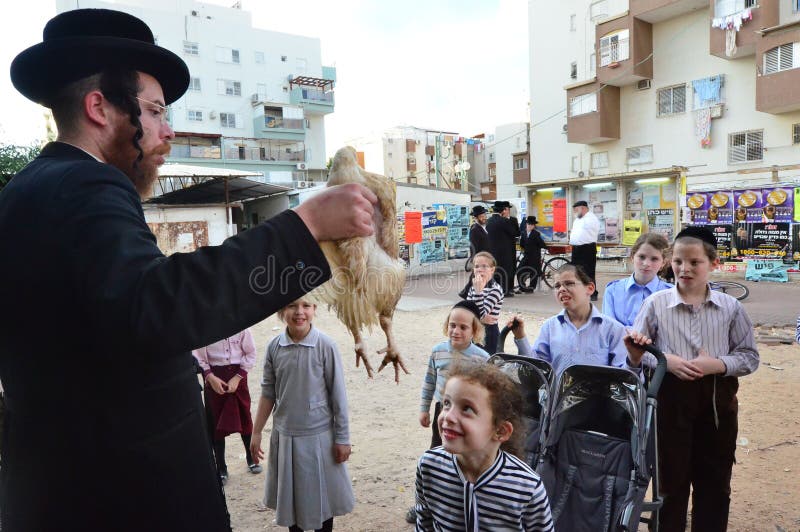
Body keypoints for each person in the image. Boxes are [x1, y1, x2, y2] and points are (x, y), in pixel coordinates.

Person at [0, 9, 376, 530]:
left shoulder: (24, 193)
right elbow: (156, 305)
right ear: (99, 108)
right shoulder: (87, 185)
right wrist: (304, 227)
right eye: (155, 111)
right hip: (122, 499)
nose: (168, 130)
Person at [632, 226, 759, 532]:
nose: (684, 269)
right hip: (670, 403)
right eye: (678, 261)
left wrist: (716, 364)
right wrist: (667, 361)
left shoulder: (730, 308)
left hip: (717, 405)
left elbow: (749, 357)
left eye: (694, 262)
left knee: (715, 482)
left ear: (713, 263)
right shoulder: (656, 304)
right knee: (670, 482)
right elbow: (639, 351)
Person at [250, 298, 354, 532]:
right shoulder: (274, 347)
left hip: (319, 438)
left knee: (323, 501)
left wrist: (342, 438)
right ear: (281, 310)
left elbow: (338, 395)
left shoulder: (326, 346)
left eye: (306, 306)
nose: (299, 312)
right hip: (285, 436)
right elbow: (268, 391)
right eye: (292, 306)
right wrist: (256, 432)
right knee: (292, 501)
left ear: (314, 309)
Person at [414, 363, 554, 531]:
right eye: (447, 403)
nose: (448, 416)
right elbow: (424, 524)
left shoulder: (526, 488)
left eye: (467, 408)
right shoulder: (429, 467)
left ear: (500, 431)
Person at [507, 264, 650, 376]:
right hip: (558, 402)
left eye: (569, 283)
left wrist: (634, 359)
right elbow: (536, 370)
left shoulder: (612, 329)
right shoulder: (550, 327)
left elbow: (625, 380)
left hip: (598, 402)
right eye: (557, 286)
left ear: (590, 288)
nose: (562, 289)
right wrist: (520, 337)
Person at [193, 328, 261, 486]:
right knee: (215, 424)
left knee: (245, 419)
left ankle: (251, 458)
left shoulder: (242, 329)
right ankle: (221, 467)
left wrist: (238, 377)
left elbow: (250, 353)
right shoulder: (205, 329)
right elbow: (198, 357)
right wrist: (210, 377)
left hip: (238, 379)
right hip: (214, 381)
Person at [603, 233, 673, 327]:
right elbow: (608, 327)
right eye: (642, 257)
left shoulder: (671, 294)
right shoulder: (613, 290)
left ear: (663, 263)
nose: (646, 263)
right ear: (632, 257)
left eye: (654, 259)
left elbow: (669, 329)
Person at [466, 252, 505, 354]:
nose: (479, 269)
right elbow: (465, 310)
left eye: (484, 266)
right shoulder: (473, 288)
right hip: (474, 329)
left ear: (492, 270)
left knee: (488, 359)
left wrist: (478, 292)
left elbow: (481, 313)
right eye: (476, 266)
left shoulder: (495, 289)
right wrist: (478, 318)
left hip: (489, 332)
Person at [486, 200, 520, 297]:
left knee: (496, 270)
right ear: (503, 211)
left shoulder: (489, 221)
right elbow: (514, 233)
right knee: (506, 270)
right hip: (505, 251)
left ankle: (497, 290)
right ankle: (505, 291)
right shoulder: (504, 221)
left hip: (493, 250)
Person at [569, 200, 601, 301]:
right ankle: (579, 292)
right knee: (576, 272)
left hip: (587, 248)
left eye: (576, 210)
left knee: (588, 272)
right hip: (576, 248)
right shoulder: (578, 219)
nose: (575, 212)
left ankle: (593, 293)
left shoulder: (591, 219)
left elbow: (587, 233)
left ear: (582, 208)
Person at [518, 215, 546, 293]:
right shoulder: (523, 233)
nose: (529, 226)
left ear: (534, 226)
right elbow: (522, 244)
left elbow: (541, 244)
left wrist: (545, 247)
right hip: (526, 256)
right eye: (528, 224)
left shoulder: (536, 234)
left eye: (531, 224)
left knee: (533, 272)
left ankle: (531, 287)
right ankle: (522, 287)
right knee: (519, 270)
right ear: (526, 224)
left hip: (534, 256)